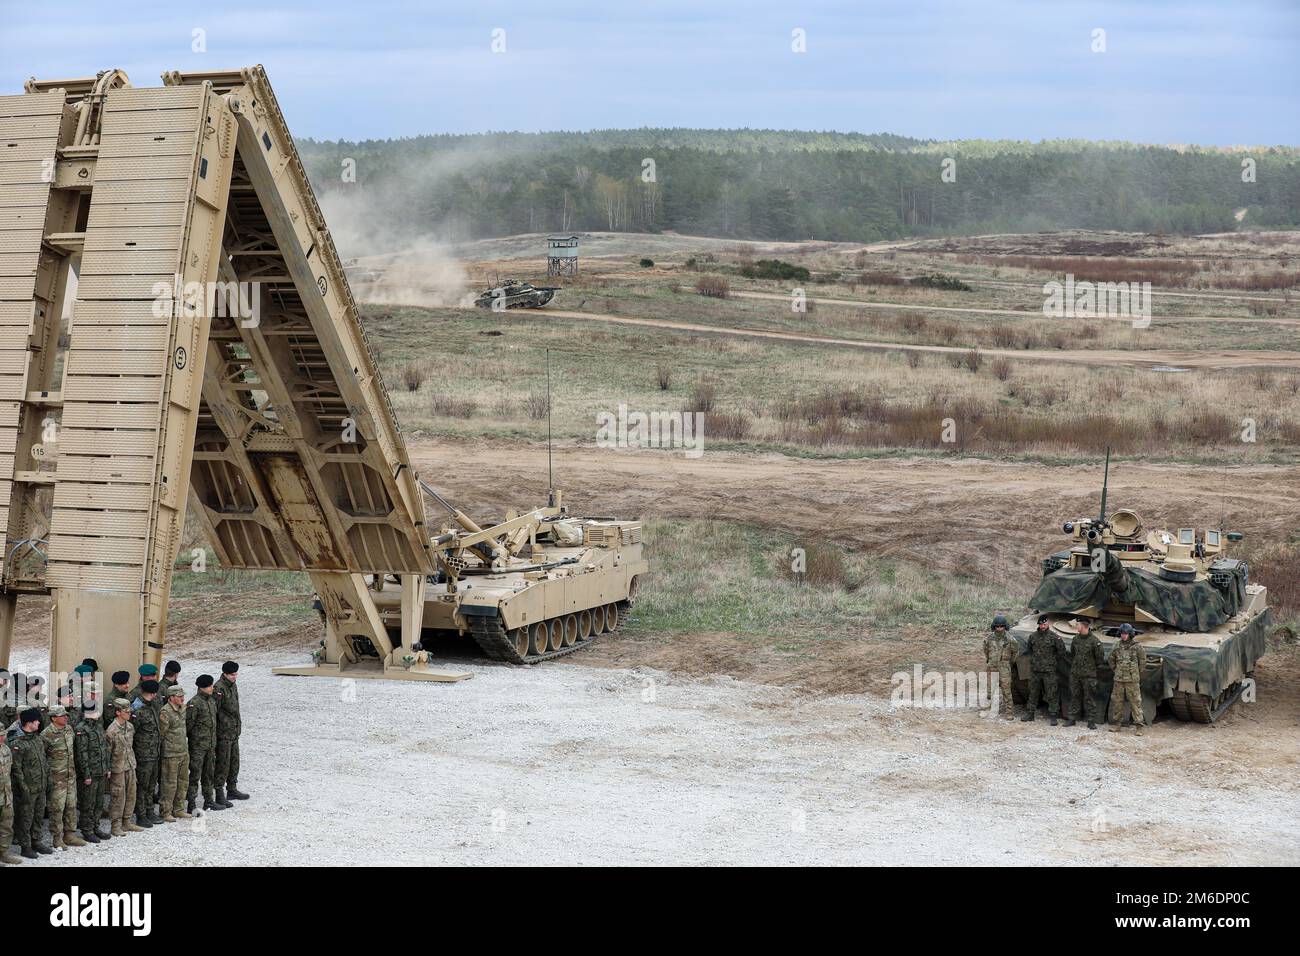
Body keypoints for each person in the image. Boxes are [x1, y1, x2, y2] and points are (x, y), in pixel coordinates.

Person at [41, 706, 86, 850]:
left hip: (70, 776)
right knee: (57, 808)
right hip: (56, 778)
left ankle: (70, 835)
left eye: (66, 715)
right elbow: (43, 758)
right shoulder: (46, 734)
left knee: (71, 806)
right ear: (53, 718)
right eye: (62, 716)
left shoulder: (69, 730)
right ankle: (57, 838)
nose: (66, 717)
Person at [9, 708, 51, 858]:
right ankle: (25, 846)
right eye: (36, 721)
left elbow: (44, 762)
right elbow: (16, 770)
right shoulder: (17, 744)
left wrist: (47, 781)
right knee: (26, 818)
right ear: (28, 723)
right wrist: (23, 788)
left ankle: (36, 841)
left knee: (38, 816)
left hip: (40, 786)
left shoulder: (37, 739)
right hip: (27, 789)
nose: (39, 722)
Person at [73, 687, 112, 844]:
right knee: (87, 803)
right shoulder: (82, 730)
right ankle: (87, 830)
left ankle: (95, 827)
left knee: (98, 802)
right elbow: (82, 755)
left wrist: (107, 767)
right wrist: (87, 775)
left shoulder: (97, 727)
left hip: (100, 771)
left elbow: (104, 749)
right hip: (89, 774)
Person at [105, 699, 143, 837]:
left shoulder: (130, 727)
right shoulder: (111, 730)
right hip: (117, 767)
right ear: (118, 712)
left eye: (129, 711)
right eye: (126, 712)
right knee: (118, 797)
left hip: (130, 764)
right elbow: (108, 752)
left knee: (131, 794)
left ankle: (126, 822)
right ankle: (115, 825)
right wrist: (108, 769)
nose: (129, 714)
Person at [187, 674, 222, 812]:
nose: (211, 688)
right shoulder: (194, 703)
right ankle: (191, 803)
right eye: (209, 686)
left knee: (209, 774)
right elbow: (188, 725)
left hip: (210, 745)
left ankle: (209, 800)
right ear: (201, 687)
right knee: (195, 775)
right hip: (198, 747)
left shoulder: (211, 701)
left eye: (211, 685)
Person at [214, 661, 247, 802]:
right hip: (223, 732)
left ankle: (232, 788)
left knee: (234, 761)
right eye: (232, 674)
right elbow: (214, 711)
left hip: (233, 731)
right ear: (225, 674)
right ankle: (219, 791)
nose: (235, 677)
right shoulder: (219, 688)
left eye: (236, 674)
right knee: (223, 763)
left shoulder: (232, 686)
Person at [131, 679, 162, 826]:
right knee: (142, 786)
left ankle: (150, 811)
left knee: (151, 785)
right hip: (143, 755)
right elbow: (132, 733)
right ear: (152, 693)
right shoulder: (137, 710)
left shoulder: (150, 707)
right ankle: (141, 815)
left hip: (153, 753)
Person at [1064, 618, 1105, 730]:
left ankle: (1091, 720)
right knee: (1074, 696)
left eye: (1077, 624)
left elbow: (1099, 659)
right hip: (1075, 674)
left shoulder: (1094, 641)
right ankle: (1072, 718)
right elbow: (1073, 654)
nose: (1076, 626)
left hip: (1089, 675)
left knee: (1089, 698)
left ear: (1083, 626)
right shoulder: (1076, 639)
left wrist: (1089, 668)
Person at [1021, 614, 1062, 725]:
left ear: (1048, 624)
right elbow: (1029, 650)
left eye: (1044, 624)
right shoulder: (1033, 637)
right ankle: (1030, 713)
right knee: (1033, 693)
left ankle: (1053, 715)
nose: (1043, 626)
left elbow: (1061, 652)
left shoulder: (1055, 637)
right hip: (1036, 671)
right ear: (1038, 624)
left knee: (1052, 693)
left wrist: (1051, 662)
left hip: (1049, 671)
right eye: (1041, 624)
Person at [158, 685, 191, 822]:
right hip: (170, 753)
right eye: (179, 696)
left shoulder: (183, 709)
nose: (182, 698)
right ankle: (166, 811)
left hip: (183, 751)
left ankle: (179, 809)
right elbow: (161, 733)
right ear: (171, 697)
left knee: (183, 782)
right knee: (169, 784)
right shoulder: (165, 712)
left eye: (182, 695)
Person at [1109, 623, 1148, 735]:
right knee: (1117, 702)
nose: (1124, 636)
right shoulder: (1116, 645)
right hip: (1119, 679)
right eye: (1122, 633)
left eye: (1126, 633)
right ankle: (1117, 724)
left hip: (1132, 680)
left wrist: (1135, 673)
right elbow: (1111, 660)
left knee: (1136, 702)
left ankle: (1139, 726)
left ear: (1130, 634)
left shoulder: (1137, 646)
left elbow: (1143, 661)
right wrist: (1117, 671)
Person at [982, 614, 1019, 719]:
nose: (999, 628)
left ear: (1005, 626)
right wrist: (990, 660)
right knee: (991, 690)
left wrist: (1008, 663)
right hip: (992, 666)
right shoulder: (989, 638)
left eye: (1001, 626)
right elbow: (986, 650)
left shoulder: (1010, 639)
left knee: (1006, 690)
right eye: (997, 626)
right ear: (994, 626)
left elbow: (1015, 652)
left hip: (1004, 667)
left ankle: (1009, 712)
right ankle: (992, 709)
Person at [0, 716, 19, 864]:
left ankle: (3, 852)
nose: (2, 738)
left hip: (6, 795)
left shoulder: (6, 749)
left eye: (3, 735)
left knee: (7, 826)